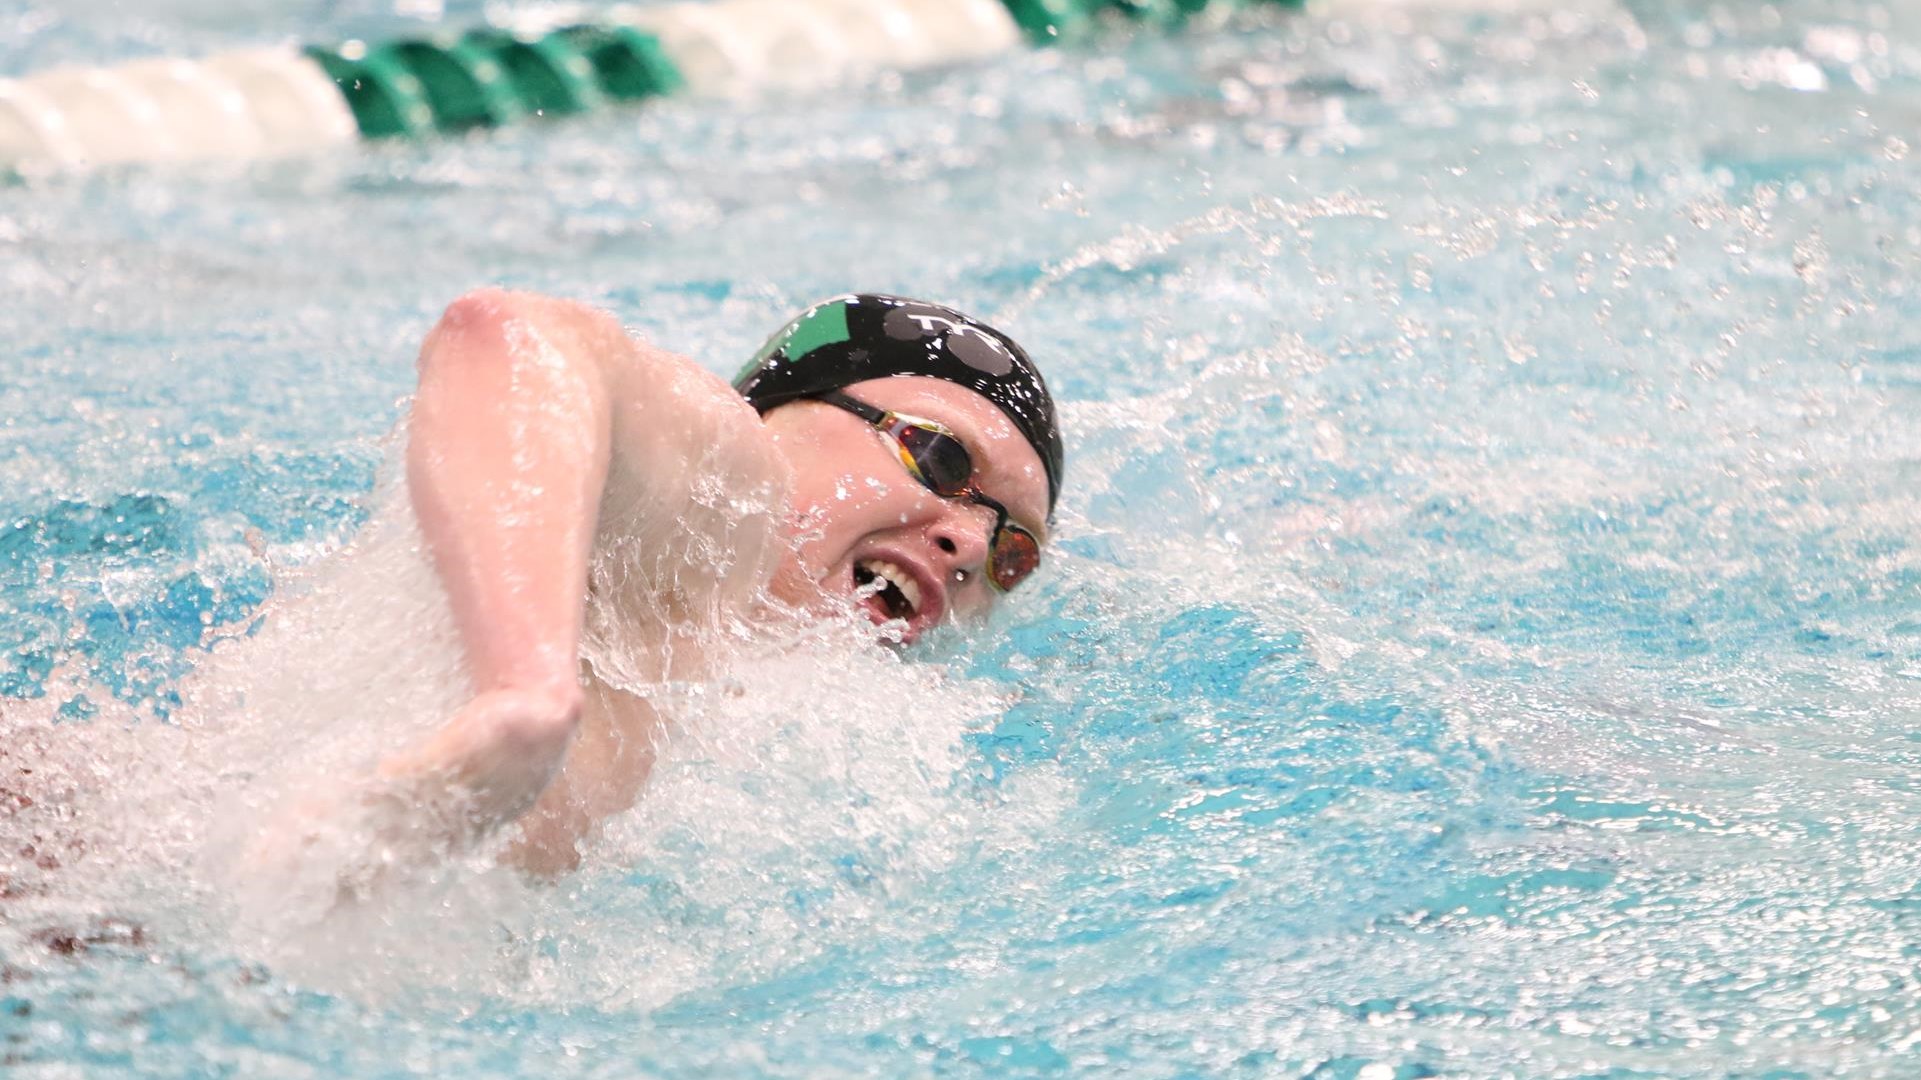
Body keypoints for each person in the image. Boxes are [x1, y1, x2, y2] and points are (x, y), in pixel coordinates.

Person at [244, 288, 1064, 885]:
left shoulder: (797, 745)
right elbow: (507, 333)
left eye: (1012, 552)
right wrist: (522, 697)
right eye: (942, 459)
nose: (970, 544)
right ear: (770, 414)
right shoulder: (722, 498)